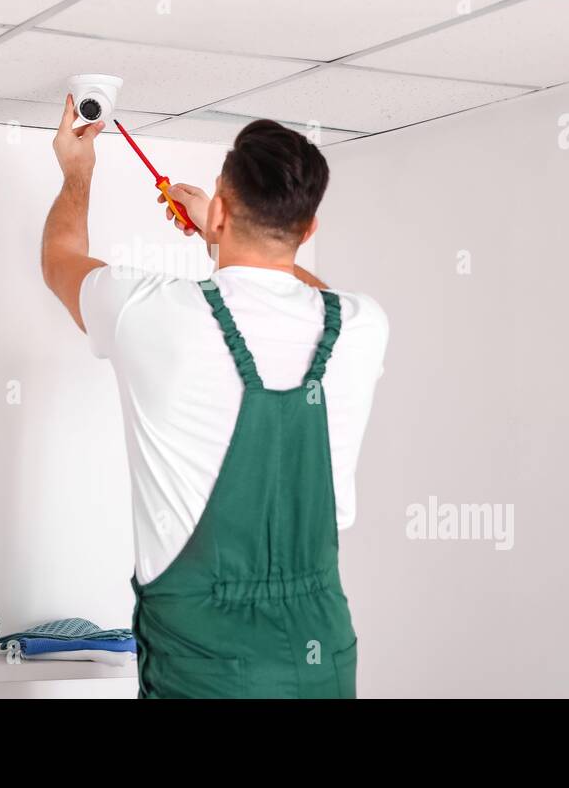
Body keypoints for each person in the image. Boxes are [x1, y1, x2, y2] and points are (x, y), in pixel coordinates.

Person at [40, 95, 388, 698]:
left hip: (206, 669)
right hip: (323, 660)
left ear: (221, 208)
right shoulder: (362, 325)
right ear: (310, 229)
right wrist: (224, 237)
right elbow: (310, 291)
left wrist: (79, 173)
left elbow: (59, 260)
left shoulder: (149, 313)